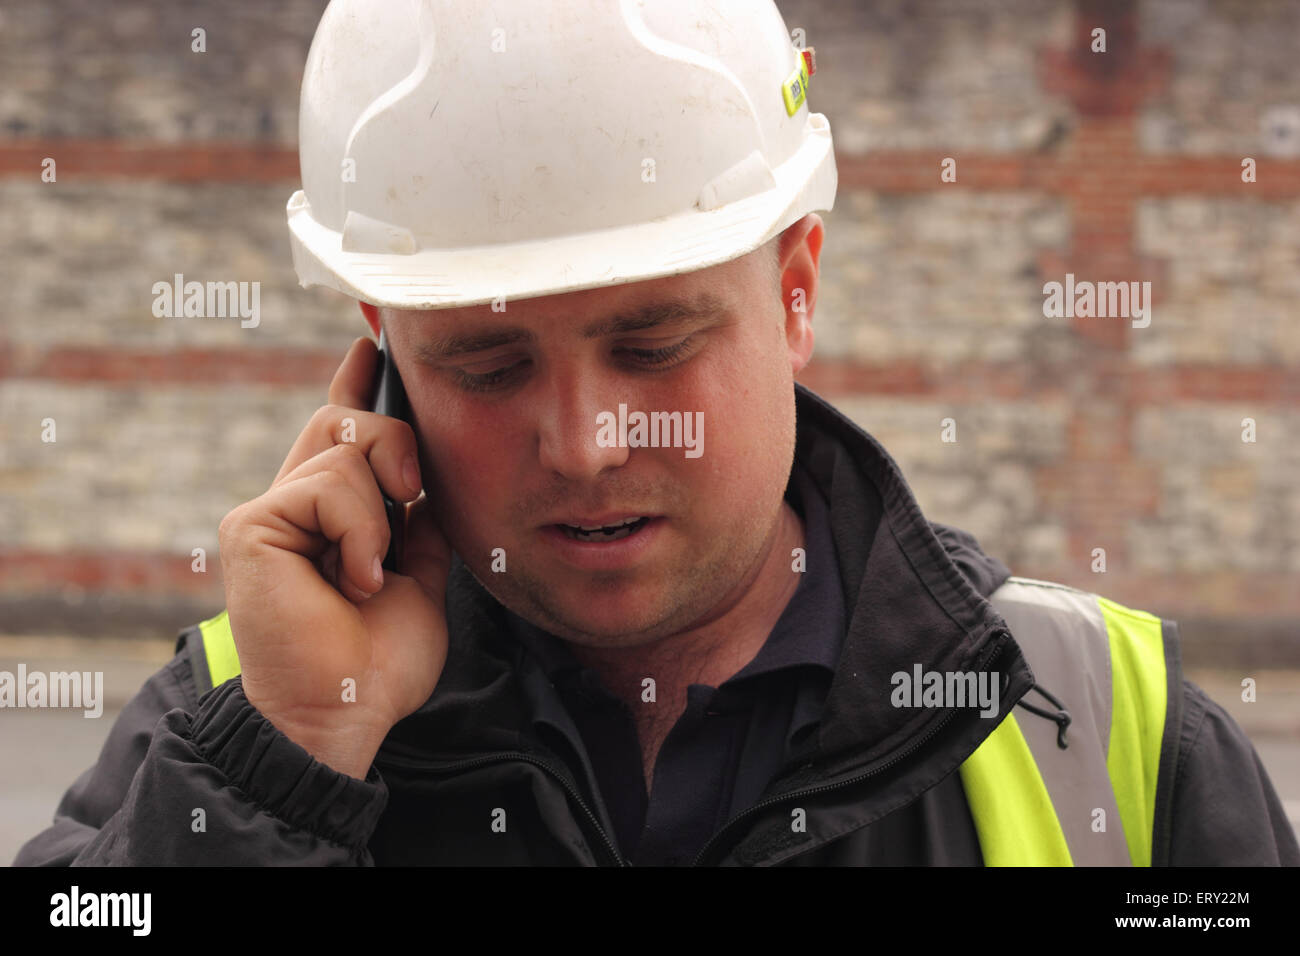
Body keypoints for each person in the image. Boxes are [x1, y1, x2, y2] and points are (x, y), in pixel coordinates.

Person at [15, 0, 1298, 867]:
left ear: (795, 291)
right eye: (484, 360)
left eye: (654, 342)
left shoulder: (1099, 723)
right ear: (381, 356)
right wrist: (283, 767)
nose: (581, 441)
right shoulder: (253, 713)